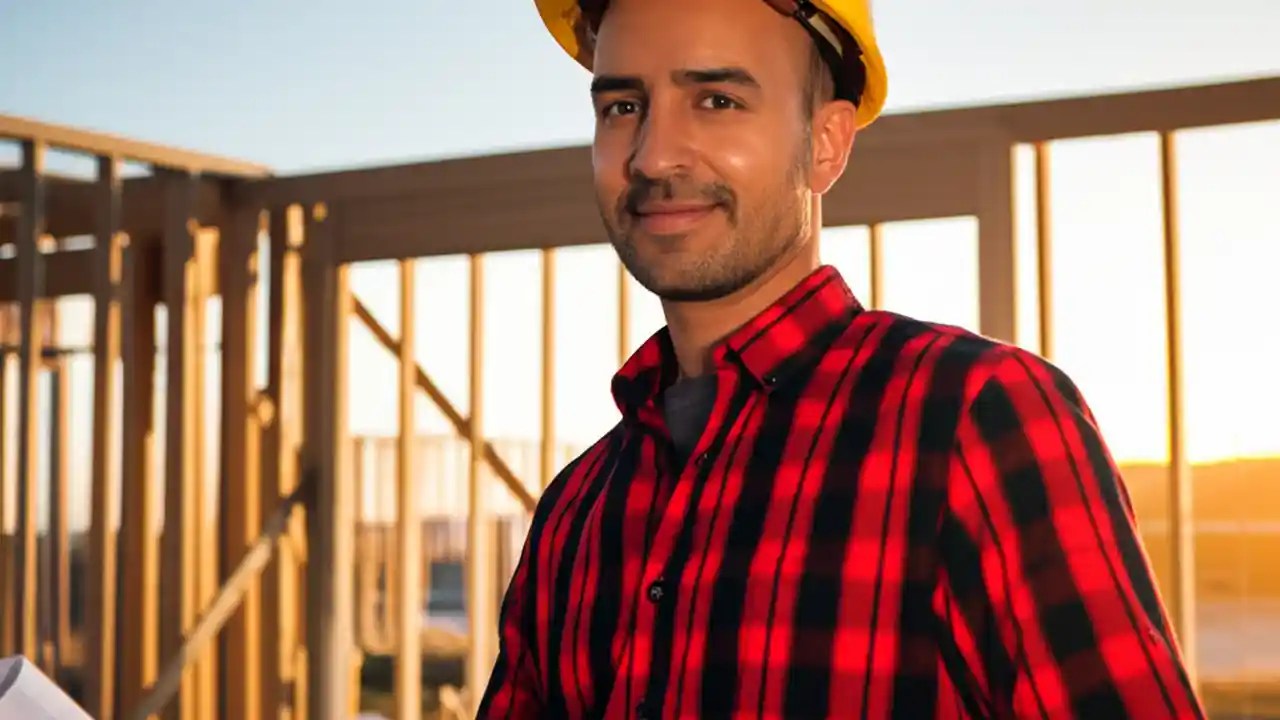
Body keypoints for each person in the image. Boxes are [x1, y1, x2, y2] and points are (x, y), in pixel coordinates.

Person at [479, 0, 1206, 717]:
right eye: (622, 107)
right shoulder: (577, 507)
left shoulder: (976, 419)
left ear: (826, 144)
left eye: (718, 99)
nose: (654, 154)